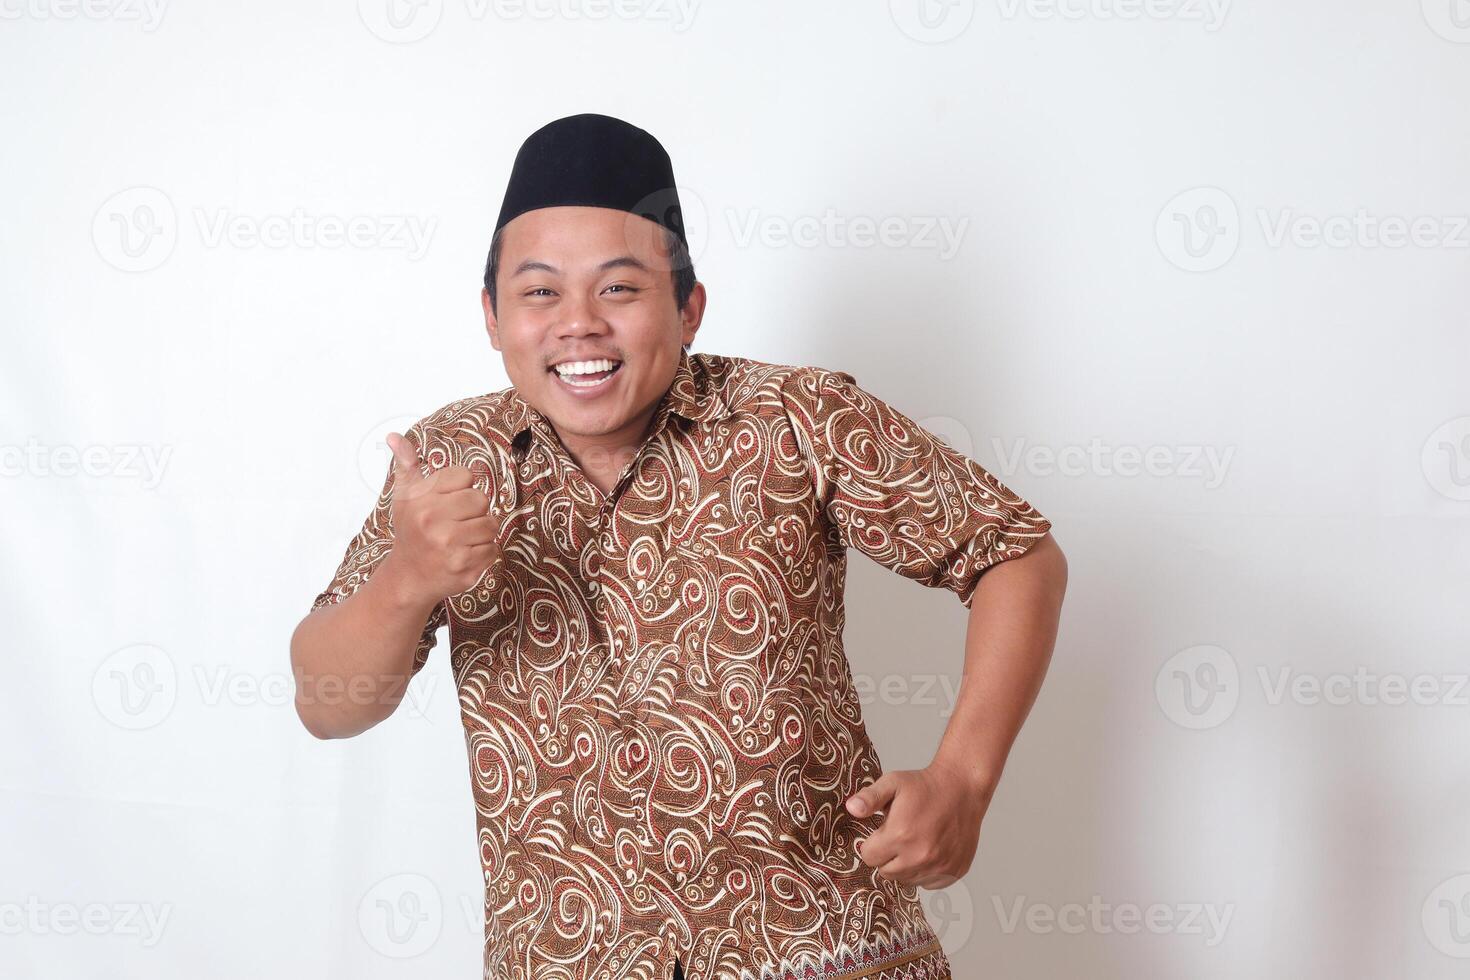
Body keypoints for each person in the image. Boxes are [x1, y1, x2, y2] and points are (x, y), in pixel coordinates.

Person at [290, 112, 1068, 980]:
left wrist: (964, 779)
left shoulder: (798, 421)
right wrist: (409, 578)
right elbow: (327, 704)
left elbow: (1014, 553)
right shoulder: (445, 463)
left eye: (619, 289)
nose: (578, 324)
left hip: (824, 952)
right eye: (540, 291)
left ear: (688, 307)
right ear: (491, 315)